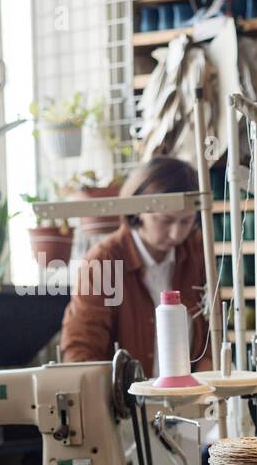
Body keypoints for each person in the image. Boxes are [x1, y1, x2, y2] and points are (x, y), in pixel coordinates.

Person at [60, 156, 210, 376]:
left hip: (190, 399)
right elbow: (81, 350)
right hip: (127, 404)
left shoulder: (196, 252)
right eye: (166, 220)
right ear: (138, 210)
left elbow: (211, 335)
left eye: (186, 221)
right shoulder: (103, 262)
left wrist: (206, 387)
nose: (176, 233)